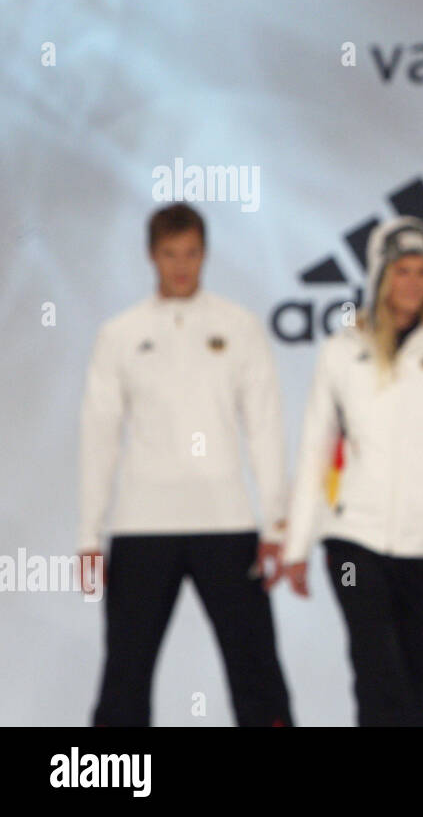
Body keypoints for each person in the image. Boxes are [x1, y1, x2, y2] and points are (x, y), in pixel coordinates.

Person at [77, 202, 293, 726]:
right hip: (141, 523)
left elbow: (264, 427)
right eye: (170, 253)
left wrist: (277, 523)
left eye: (191, 253)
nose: (181, 265)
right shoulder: (120, 334)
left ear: (204, 253)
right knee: (125, 673)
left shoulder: (238, 327)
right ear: (153, 255)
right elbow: (98, 436)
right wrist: (89, 534)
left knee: (257, 670)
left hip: (227, 520)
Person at [275, 216, 423, 726]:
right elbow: (316, 449)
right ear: (380, 276)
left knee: (418, 675)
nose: (412, 282)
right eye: (401, 270)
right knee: (376, 667)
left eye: (422, 271)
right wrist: (297, 545)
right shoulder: (343, 351)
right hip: (351, 540)